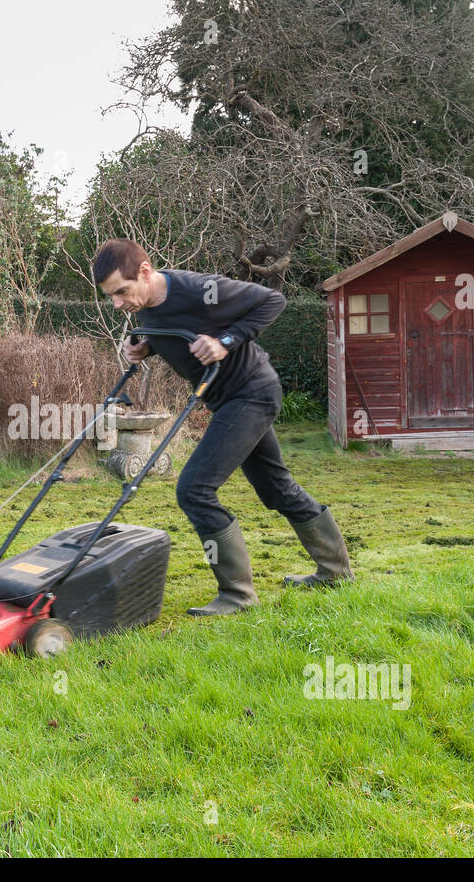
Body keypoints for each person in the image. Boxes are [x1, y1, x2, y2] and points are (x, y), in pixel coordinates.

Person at [92, 238, 353, 616]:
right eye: (110, 297)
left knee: (194, 489)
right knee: (276, 488)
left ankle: (236, 595)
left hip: (251, 393)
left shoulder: (201, 290)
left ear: (145, 272)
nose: (117, 303)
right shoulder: (149, 305)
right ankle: (335, 571)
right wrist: (145, 345)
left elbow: (272, 301)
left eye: (121, 292)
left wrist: (225, 342)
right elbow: (172, 330)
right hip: (231, 400)